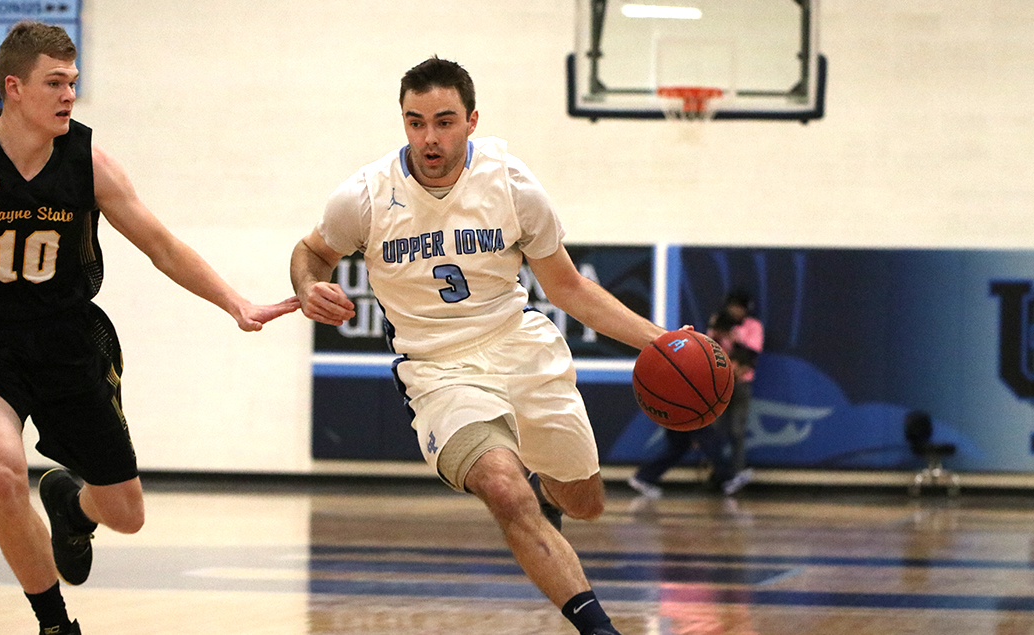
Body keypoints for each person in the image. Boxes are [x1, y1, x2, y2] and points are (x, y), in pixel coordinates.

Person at [0, 21, 298, 635]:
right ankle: (54, 624)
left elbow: (160, 244)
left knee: (126, 515)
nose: (68, 95)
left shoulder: (87, 159)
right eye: (55, 83)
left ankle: (72, 506)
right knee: (2, 470)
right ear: (14, 88)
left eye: (73, 82)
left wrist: (233, 301)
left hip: (65, 339)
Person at [291, 56, 668, 635]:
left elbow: (567, 288)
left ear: (471, 120)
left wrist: (659, 341)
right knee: (501, 485)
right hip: (439, 371)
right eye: (415, 122)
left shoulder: (512, 185)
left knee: (585, 502)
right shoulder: (366, 194)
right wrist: (310, 285)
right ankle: (599, 628)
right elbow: (310, 251)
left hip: (520, 352)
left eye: (443, 121)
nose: (429, 137)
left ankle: (544, 500)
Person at [628, 289, 764, 498]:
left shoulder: (751, 327)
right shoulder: (706, 345)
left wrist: (734, 343)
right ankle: (726, 478)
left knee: (687, 444)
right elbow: (710, 353)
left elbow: (749, 355)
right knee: (706, 437)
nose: (735, 311)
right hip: (699, 394)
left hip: (722, 387)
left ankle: (645, 477)